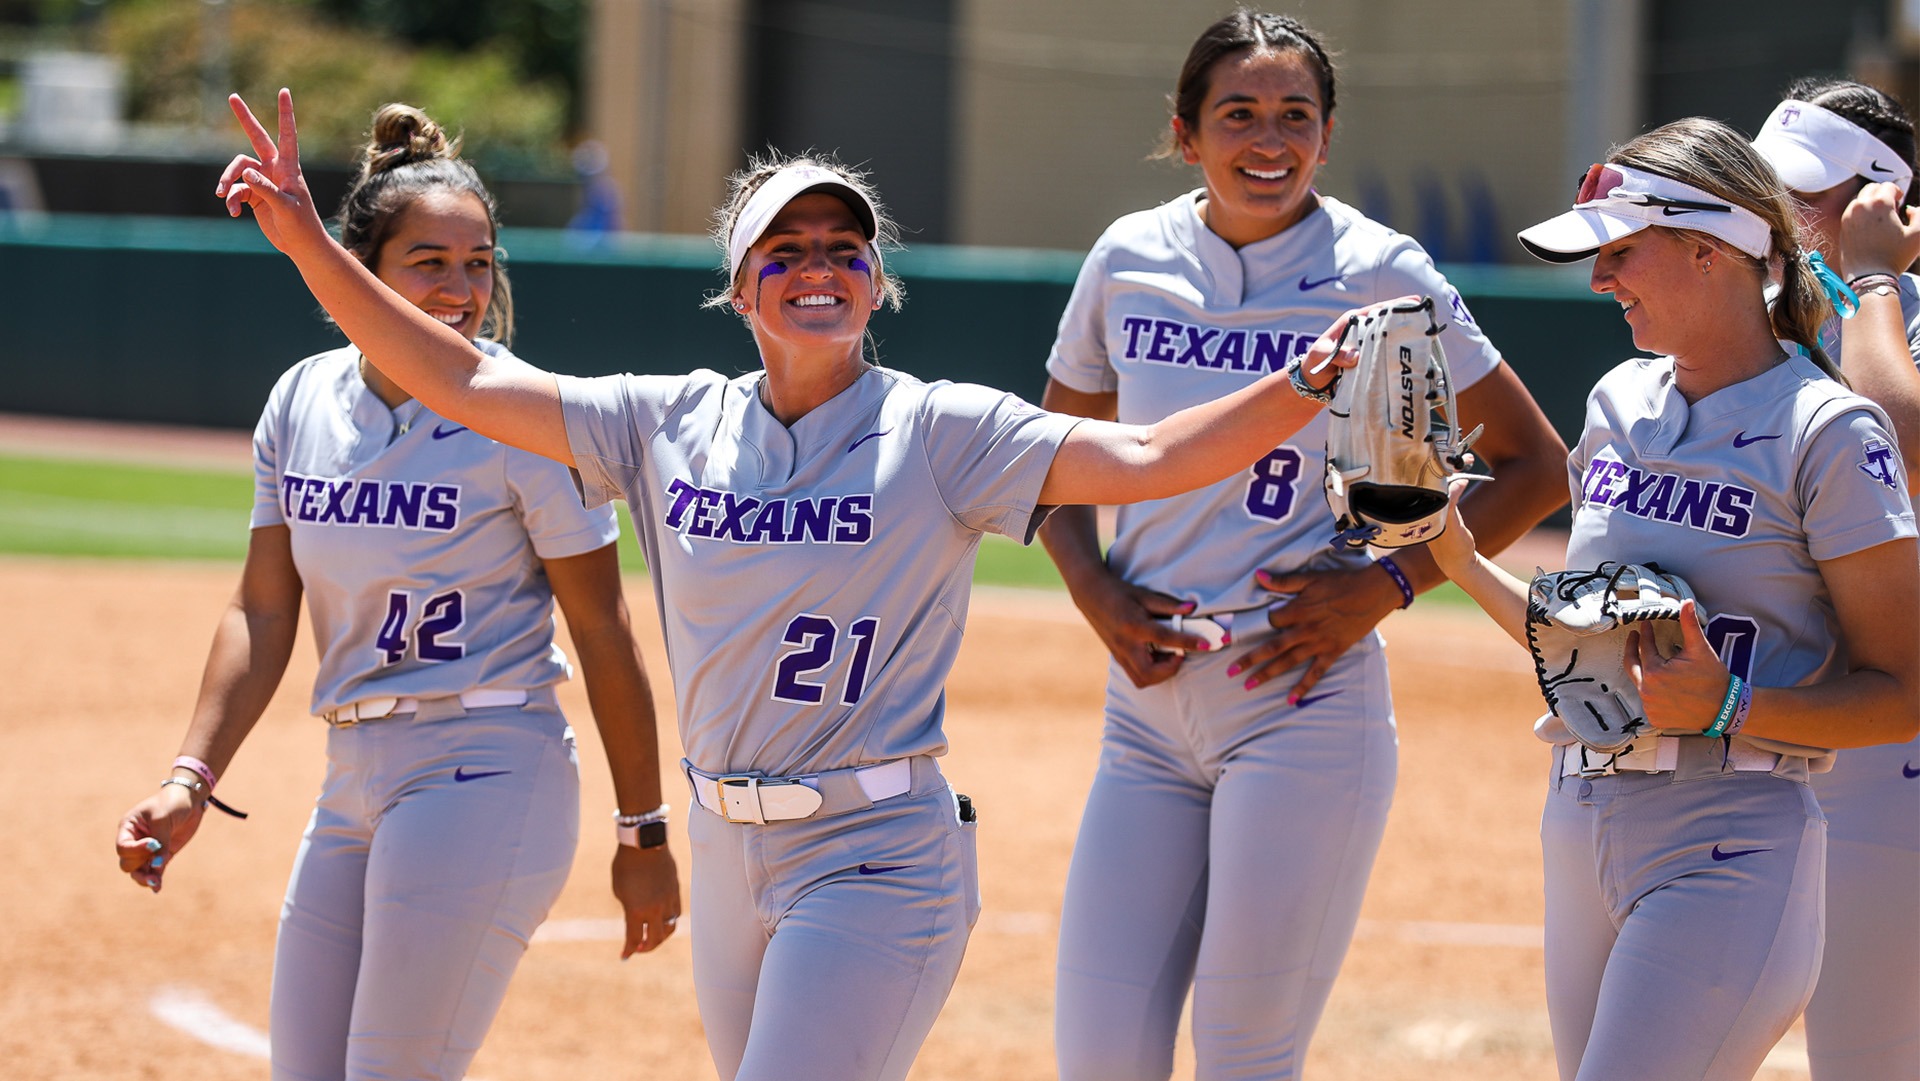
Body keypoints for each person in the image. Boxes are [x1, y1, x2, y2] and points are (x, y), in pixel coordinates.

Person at [210, 89, 1369, 1081]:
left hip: (875, 856)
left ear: (876, 283)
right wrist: (312, 244)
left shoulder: (942, 428)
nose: (819, 267)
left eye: (844, 249)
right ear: (741, 288)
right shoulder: (665, 420)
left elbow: (1154, 459)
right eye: (788, 249)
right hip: (728, 853)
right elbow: (461, 375)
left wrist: (1305, 382)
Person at [1036, 12, 1569, 1078]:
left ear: (1327, 138)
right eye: (1238, 114)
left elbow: (1535, 467)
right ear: (1186, 134)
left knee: (1244, 1050)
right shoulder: (1130, 256)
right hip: (1144, 710)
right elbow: (1055, 462)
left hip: (1301, 698)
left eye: (1295, 116)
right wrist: (1094, 591)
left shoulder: (1380, 268)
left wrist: (1391, 585)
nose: (1268, 139)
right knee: (1098, 1054)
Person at [112, 103, 681, 1081]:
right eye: (430, 261)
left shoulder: (529, 414)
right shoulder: (302, 399)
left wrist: (643, 831)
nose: (460, 288)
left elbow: (604, 630)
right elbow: (262, 607)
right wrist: (189, 777)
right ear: (363, 268)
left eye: (479, 262)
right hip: (353, 776)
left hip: (488, 765)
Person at [1433, 117, 1919, 1081]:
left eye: (1621, 252)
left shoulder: (1828, 429)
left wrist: (1735, 704)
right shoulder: (1617, 400)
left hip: (1734, 835)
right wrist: (1454, 557)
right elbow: (1583, 638)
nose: (1600, 280)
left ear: (1714, 249)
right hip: (1579, 818)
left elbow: (1904, 688)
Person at [1750, 78, 1920, 1081]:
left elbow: (1896, 449)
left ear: (1881, 203)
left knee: (1868, 1052)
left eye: (1803, 193)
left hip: (1886, 750)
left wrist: (1874, 277)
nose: (1775, 214)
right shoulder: (1752, 317)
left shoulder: (1893, 312)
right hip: (1767, 717)